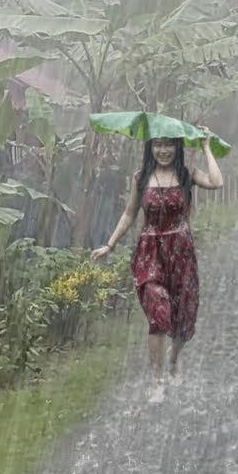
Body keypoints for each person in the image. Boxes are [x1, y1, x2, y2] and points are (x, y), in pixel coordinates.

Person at [91, 135, 223, 400]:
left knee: (184, 315)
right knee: (159, 312)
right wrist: (110, 244)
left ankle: (173, 359)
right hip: (150, 253)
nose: (163, 150)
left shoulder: (188, 175)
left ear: (177, 147)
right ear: (150, 148)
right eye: (158, 145)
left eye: (169, 144)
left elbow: (217, 182)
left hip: (181, 252)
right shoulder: (141, 178)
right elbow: (130, 213)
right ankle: (157, 381)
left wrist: (207, 148)